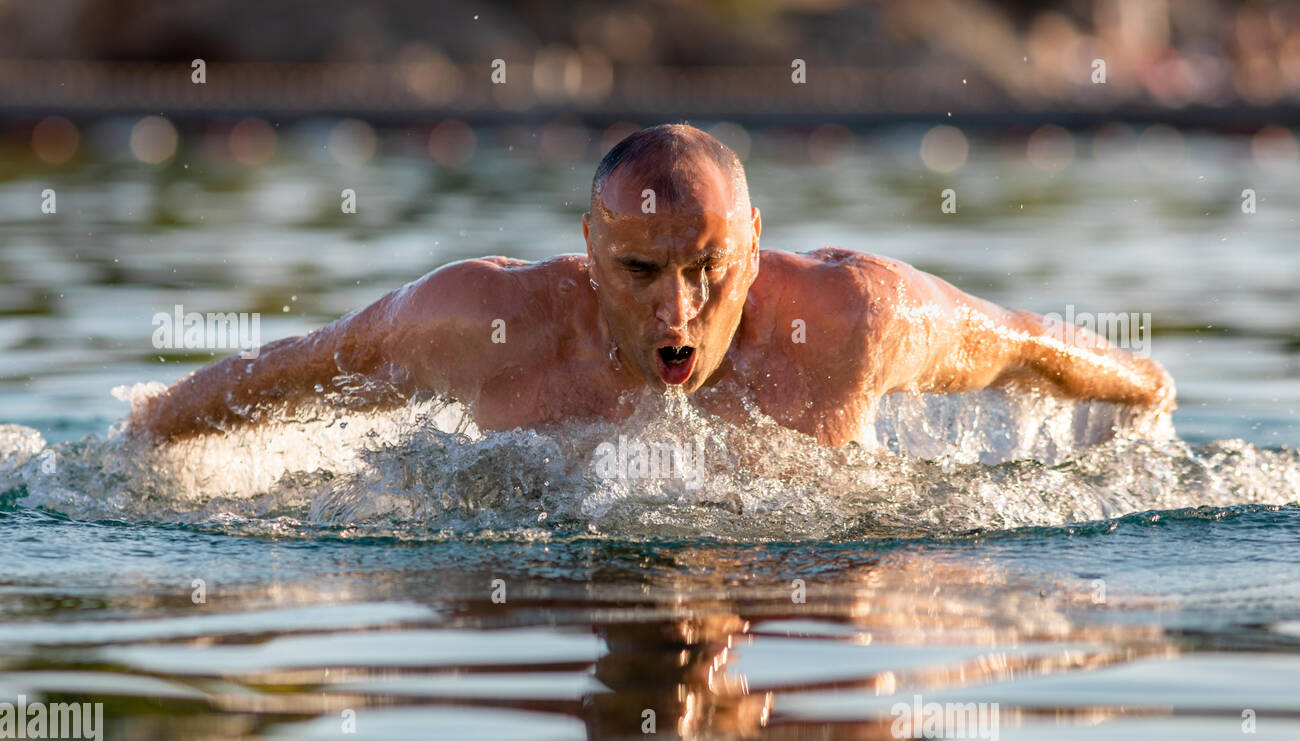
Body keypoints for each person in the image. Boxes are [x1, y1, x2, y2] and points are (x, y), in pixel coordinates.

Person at [131, 123, 1174, 448]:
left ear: (755, 249)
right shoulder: (483, 322)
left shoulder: (857, 319)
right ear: (587, 250)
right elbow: (299, 365)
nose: (677, 312)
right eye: (638, 271)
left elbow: (1027, 344)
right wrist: (145, 444)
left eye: (708, 271)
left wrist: (1149, 392)